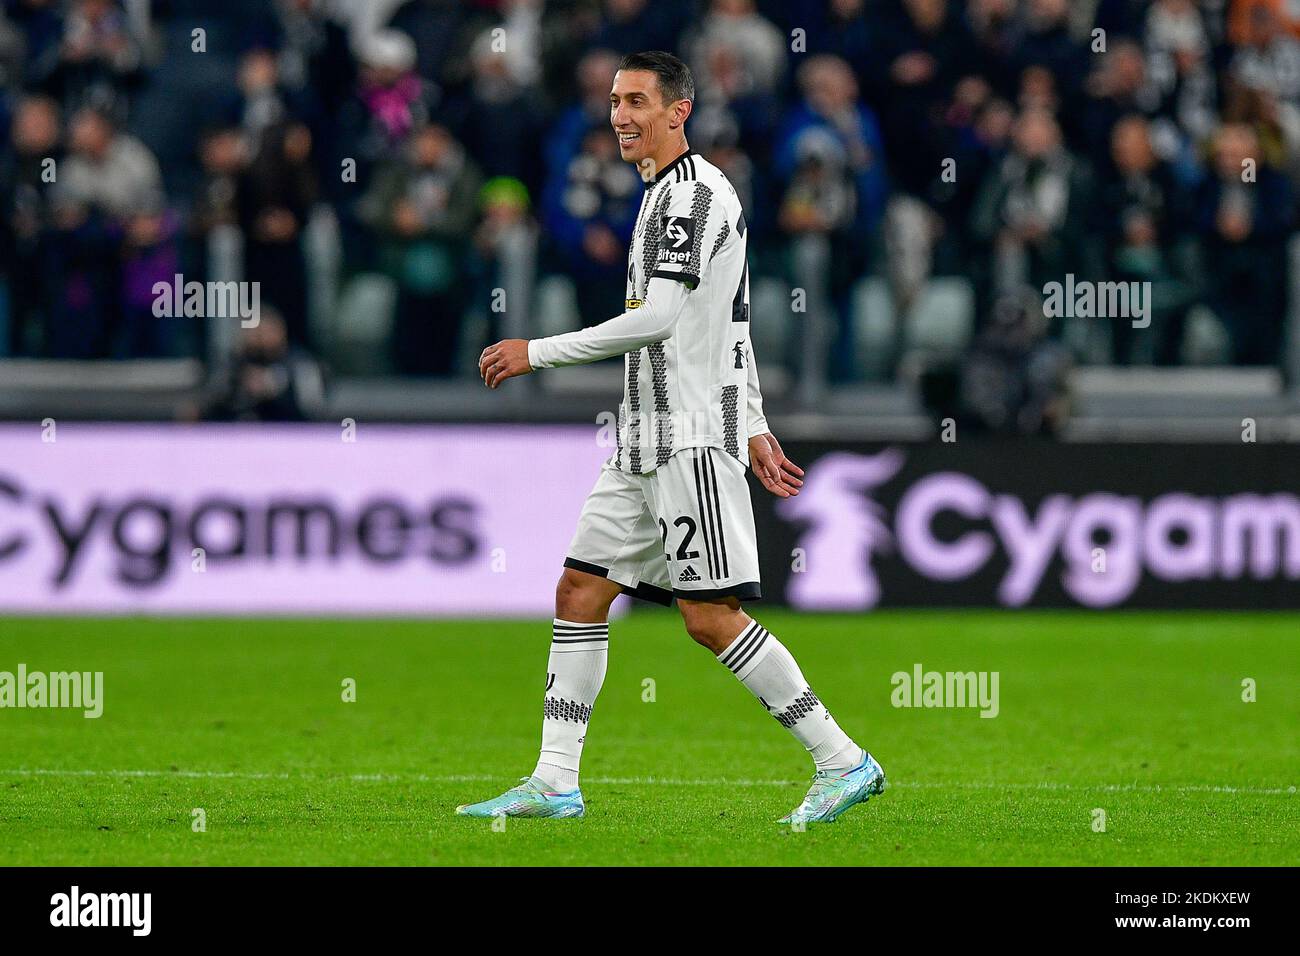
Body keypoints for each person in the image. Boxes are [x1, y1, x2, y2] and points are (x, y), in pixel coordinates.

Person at [462, 51, 885, 825]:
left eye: (636, 102)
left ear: (677, 111)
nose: (619, 116)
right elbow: (731, 324)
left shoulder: (691, 195)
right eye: (615, 101)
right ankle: (555, 782)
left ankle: (842, 760)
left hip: (689, 439)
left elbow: (658, 318)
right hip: (641, 441)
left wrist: (537, 352)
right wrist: (756, 423)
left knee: (708, 617)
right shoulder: (663, 193)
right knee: (580, 590)